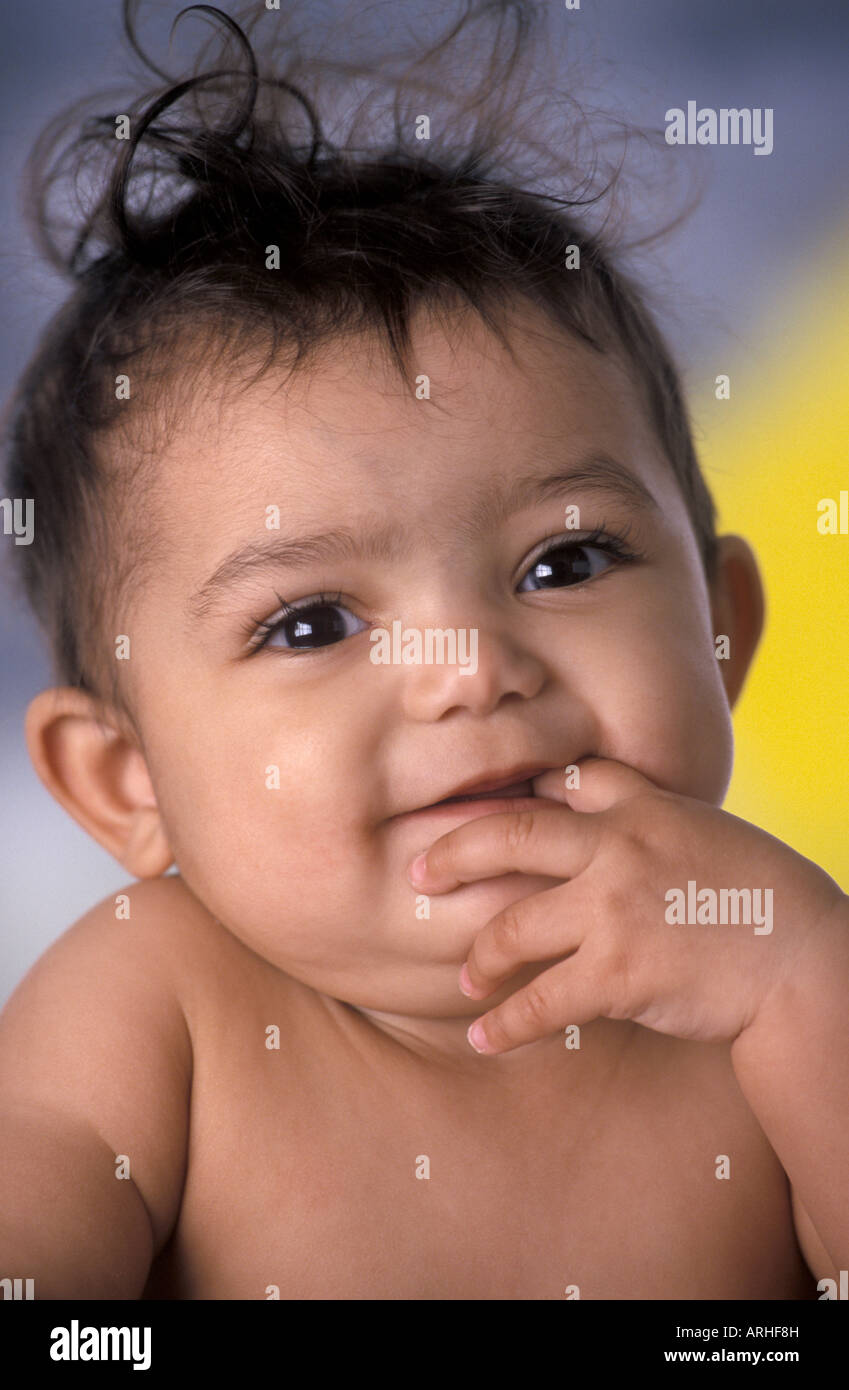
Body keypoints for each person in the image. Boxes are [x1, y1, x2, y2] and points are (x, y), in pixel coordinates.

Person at [1, 0, 846, 1299]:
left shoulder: (769, 979)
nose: (469, 667)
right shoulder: (153, 1006)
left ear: (719, 629)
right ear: (128, 779)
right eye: (311, 622)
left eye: (563, 562)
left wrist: (811, 988)